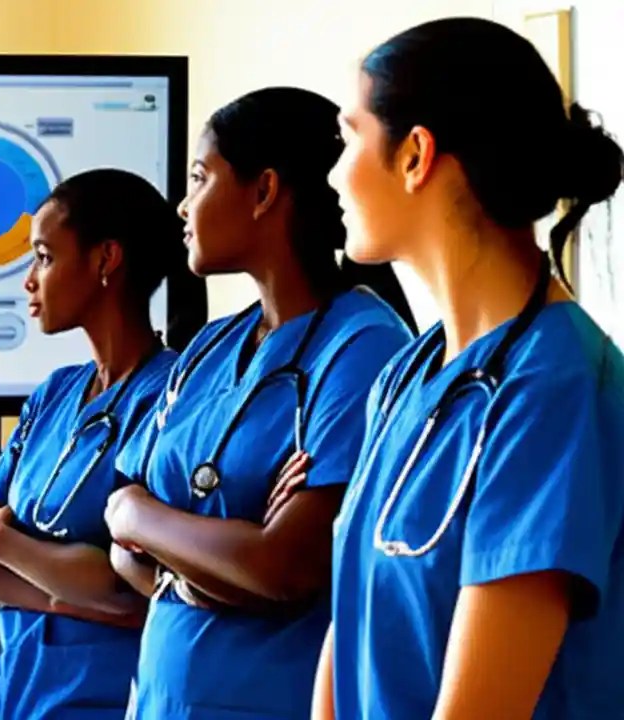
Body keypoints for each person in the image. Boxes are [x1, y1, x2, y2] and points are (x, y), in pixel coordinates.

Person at [316, 17, 624, 720]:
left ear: (416, 154)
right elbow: (349, 625)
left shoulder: (556, 388)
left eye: (348, 137)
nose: (333, 175)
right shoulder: (407, 376)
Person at [104, 87, 417, 719]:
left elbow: (288, 568)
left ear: (265, 191)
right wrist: (214, 553)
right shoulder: (209, 347)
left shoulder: (363, 346)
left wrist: (147, 522)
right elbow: (118, 539)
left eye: (199, 178)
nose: (183, 206)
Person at [0, 168, 186, 720]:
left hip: (101, 696)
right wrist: (62, 595)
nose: (29, 280)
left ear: (106, 260)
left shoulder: (175, 396)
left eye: (44, 257)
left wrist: (8, 542)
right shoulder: (55, 392)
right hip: (16, 688)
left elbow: (118, 577)